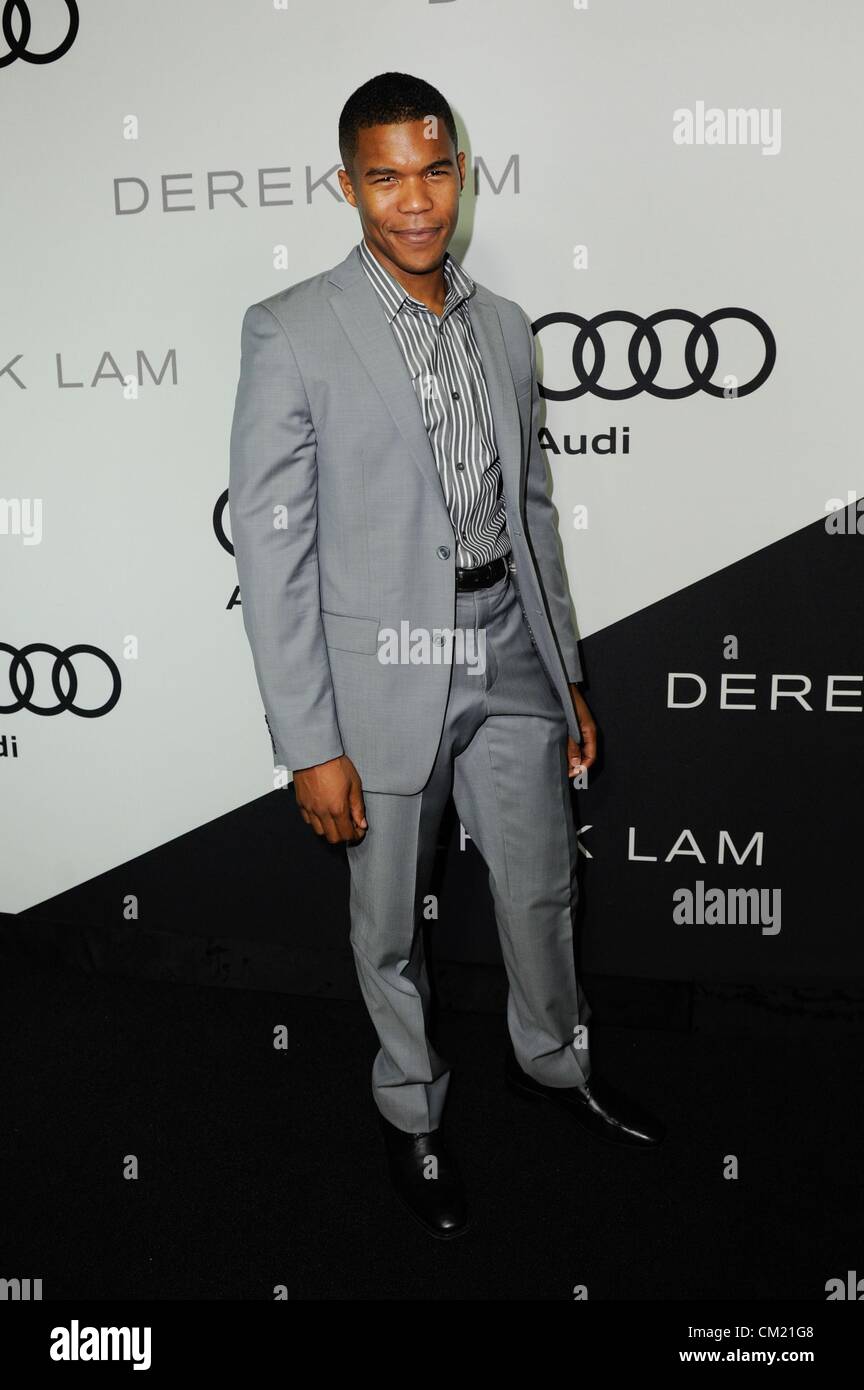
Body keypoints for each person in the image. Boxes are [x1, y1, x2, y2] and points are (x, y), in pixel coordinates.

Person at [229, 71, 664, 1241]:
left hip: (511, 646)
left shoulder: (509, 329)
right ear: (347, 184)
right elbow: (276, 559)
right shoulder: (291, 329)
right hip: (377, 680)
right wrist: (308, 742)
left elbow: (531, 513)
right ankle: (411, 1109)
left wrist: (565, 669)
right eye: (385, 176)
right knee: (388, 923)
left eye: (433, 170)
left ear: (459, 172)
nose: (414, 200)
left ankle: (552, 1064)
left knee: (539, 889)